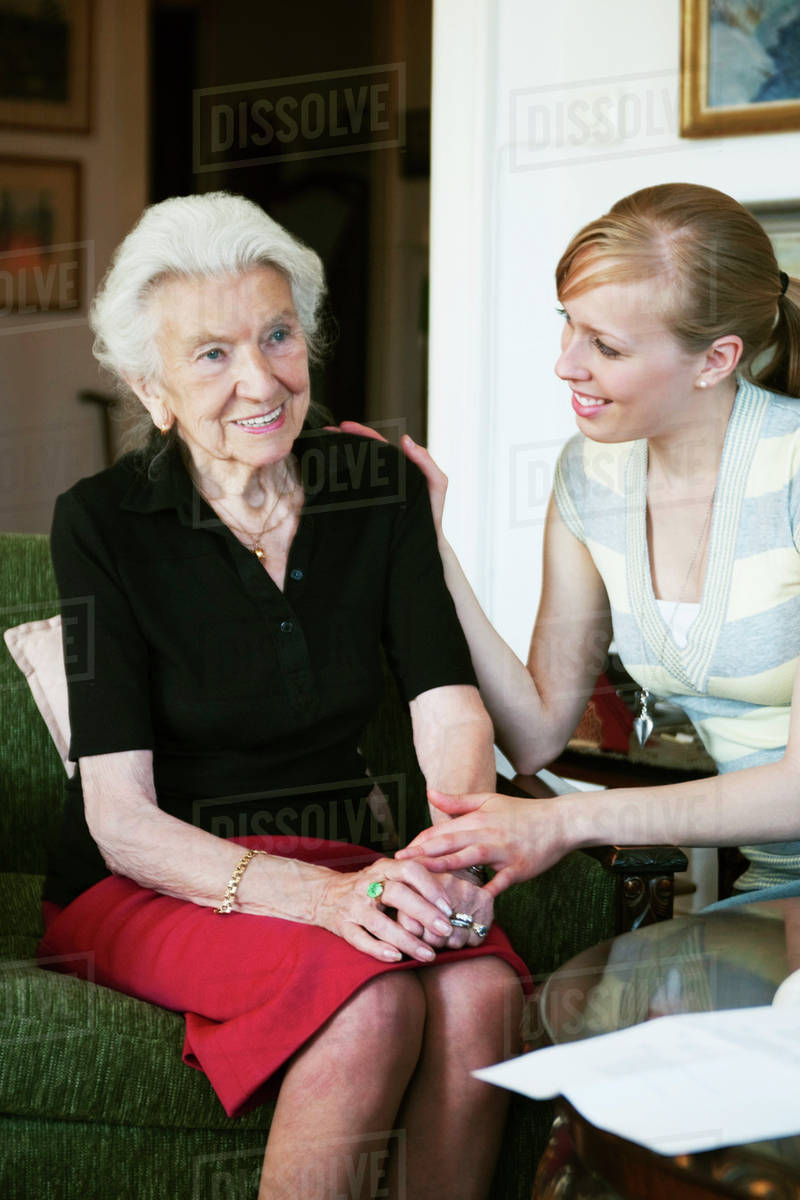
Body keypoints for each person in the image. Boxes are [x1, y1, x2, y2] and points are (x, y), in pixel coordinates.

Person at [38, 192, 528, 1200]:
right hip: (156, 880)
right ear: (152, 388)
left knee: (482, 992)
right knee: (371, 1002)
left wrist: (443, 857)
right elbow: (119, 817)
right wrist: (324, 902)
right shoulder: (101, 521)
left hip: (350, 853)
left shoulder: (374, 485)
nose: (260, 381)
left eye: (277, 335)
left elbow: (449, 706)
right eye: (211, 354)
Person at [363, 182, 800, 905]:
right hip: (773, 889)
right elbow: (535, 734)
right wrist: (427, 541)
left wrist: (565, 822)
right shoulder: (592, 473)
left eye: (607, 346)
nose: (567, 364)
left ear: (715, 360)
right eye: (568, 324)